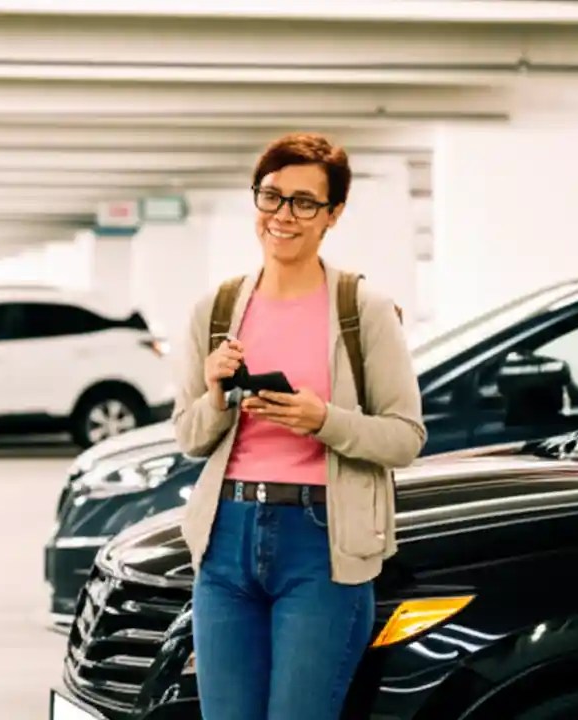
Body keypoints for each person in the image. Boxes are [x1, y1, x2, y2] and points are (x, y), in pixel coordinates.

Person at [171, 132, 428, 720]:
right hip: (226, 539)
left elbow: (405, 436)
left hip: (322, 542)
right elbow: (189, 437)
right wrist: (214, 393)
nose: (283, 215)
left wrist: (324, 420)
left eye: (304, 202)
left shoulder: (362, 309)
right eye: (272, 196)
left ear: (332, 215)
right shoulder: (215, 309)